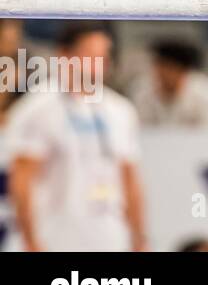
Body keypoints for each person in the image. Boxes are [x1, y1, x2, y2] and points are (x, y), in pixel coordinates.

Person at [5, 22, 148, 252]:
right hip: (54, 237)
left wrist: (139, 238)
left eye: (102, 56)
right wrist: (30, 241)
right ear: (64, 55)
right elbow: (22, 181)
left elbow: (129, 178)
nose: (98, 65)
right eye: (89, 55)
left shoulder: (121, 111)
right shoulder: (37, 109)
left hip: (108, 237)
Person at [130, 40, 208, 129]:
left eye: (168, 67)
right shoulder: (142, 90)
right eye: (158, 66)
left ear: (182, 70)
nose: (161, 73)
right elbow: (139, 131)